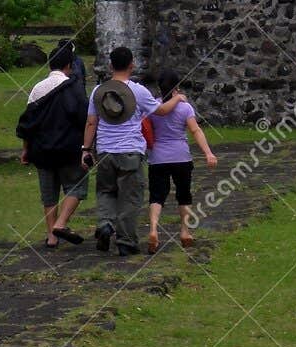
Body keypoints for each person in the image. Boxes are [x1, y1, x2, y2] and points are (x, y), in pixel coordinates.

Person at [81, 47, 180, 256]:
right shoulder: (138, 91)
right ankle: (126, 241)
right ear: (131, 65)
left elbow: (91, 123)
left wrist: (85, 149)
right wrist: (177, 99)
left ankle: (106, 222)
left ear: (110, 66)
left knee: (106, 191)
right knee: (130, 197)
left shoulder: (98, 92)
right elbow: (161, 111)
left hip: (105, 150)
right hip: (131, 151)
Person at [16, 42, 89, 248]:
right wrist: (87, 147)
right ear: (69, 65)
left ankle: (51, 236)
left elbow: (27, 122)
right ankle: (61, 223)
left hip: (42, 150)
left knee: (49, 194)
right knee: (77, 187)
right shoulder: (74, 88)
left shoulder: (38, 88)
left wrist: (25, 150)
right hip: (69, 149)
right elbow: (84, 119)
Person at [145, 70, 218, 254]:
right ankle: (185, 231)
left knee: (156, 196)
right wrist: (208, 153)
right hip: (181, 156)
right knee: (184, 195)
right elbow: (195, 131)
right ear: (177, 87)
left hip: (158, 157)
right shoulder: (185, 108)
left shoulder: (154, 107)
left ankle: (153, 228)